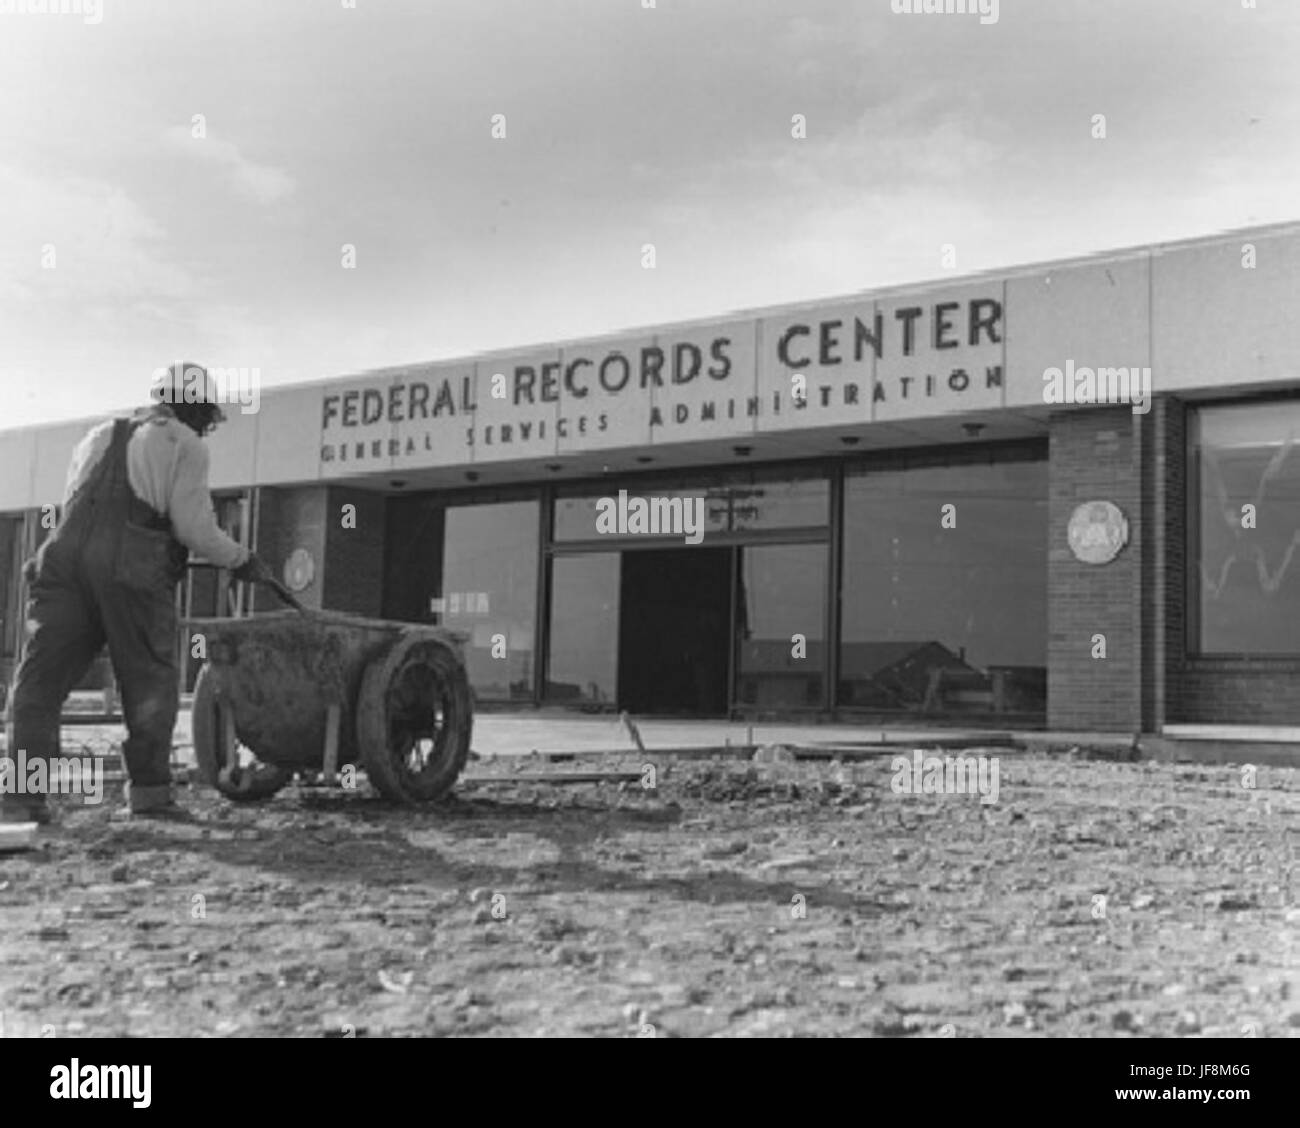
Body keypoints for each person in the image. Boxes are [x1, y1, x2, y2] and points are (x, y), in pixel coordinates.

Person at [0, 363, 272, 825]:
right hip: (132, 568)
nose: (205, 425)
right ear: (191, 405)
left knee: (38, 684)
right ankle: (148, 796)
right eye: (205, 413)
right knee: (149, 681)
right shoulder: (182, 443)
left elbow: (78, 504)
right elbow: (193, 528)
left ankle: (21, 798)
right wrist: (240, 559)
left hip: (63, 564)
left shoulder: (97, 435)